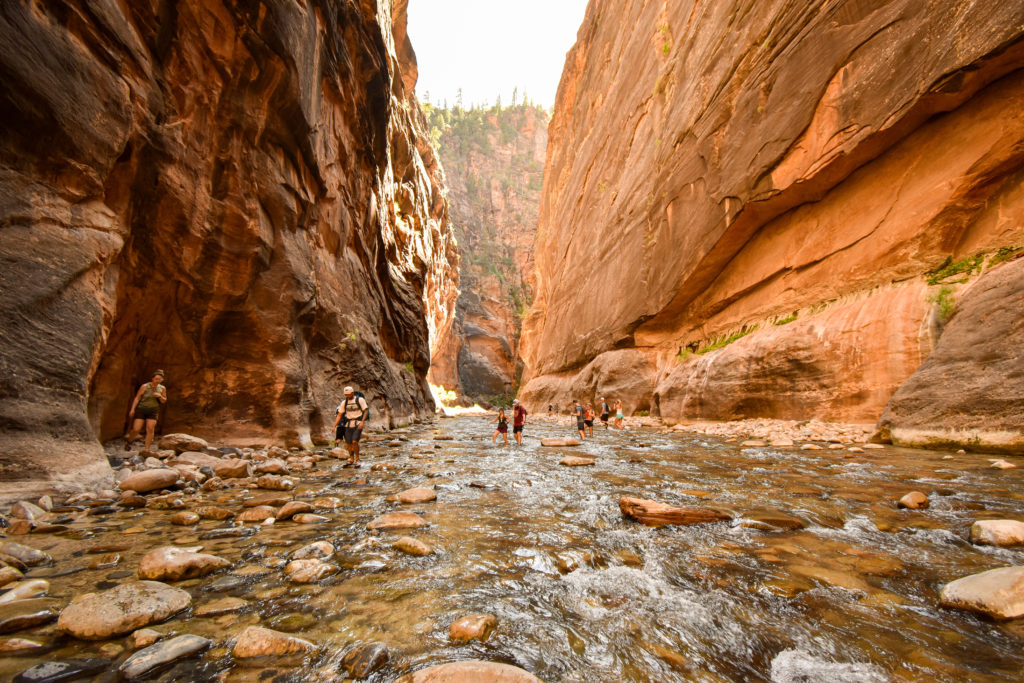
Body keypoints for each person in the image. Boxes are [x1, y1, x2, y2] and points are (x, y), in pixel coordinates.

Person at [124, 370, 168, 452]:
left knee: (150, 429)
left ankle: (147, 449)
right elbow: (137, 398)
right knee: (136, 429)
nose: (158, 381)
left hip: (153, 411)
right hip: (142, 409)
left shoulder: (162, 388)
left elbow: (164, 400)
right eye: (156, 379)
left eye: (160, 379)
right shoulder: (145, 386)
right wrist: (132, 409)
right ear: (152, 378)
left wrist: (160, 396)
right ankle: (129, 441)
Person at [332, 386, 370, 467]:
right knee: (348, 443)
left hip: (358, 422)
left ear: (352, 393)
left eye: (348, 394)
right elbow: (339, 415)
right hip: (348, 424)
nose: (347, 396)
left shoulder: (360, 400)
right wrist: (334, 426)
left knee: (354, 441)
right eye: (346, 395)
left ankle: (357, 459)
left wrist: (362, 422)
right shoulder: (344, 402)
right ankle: (351, 459)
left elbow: (366, 411)